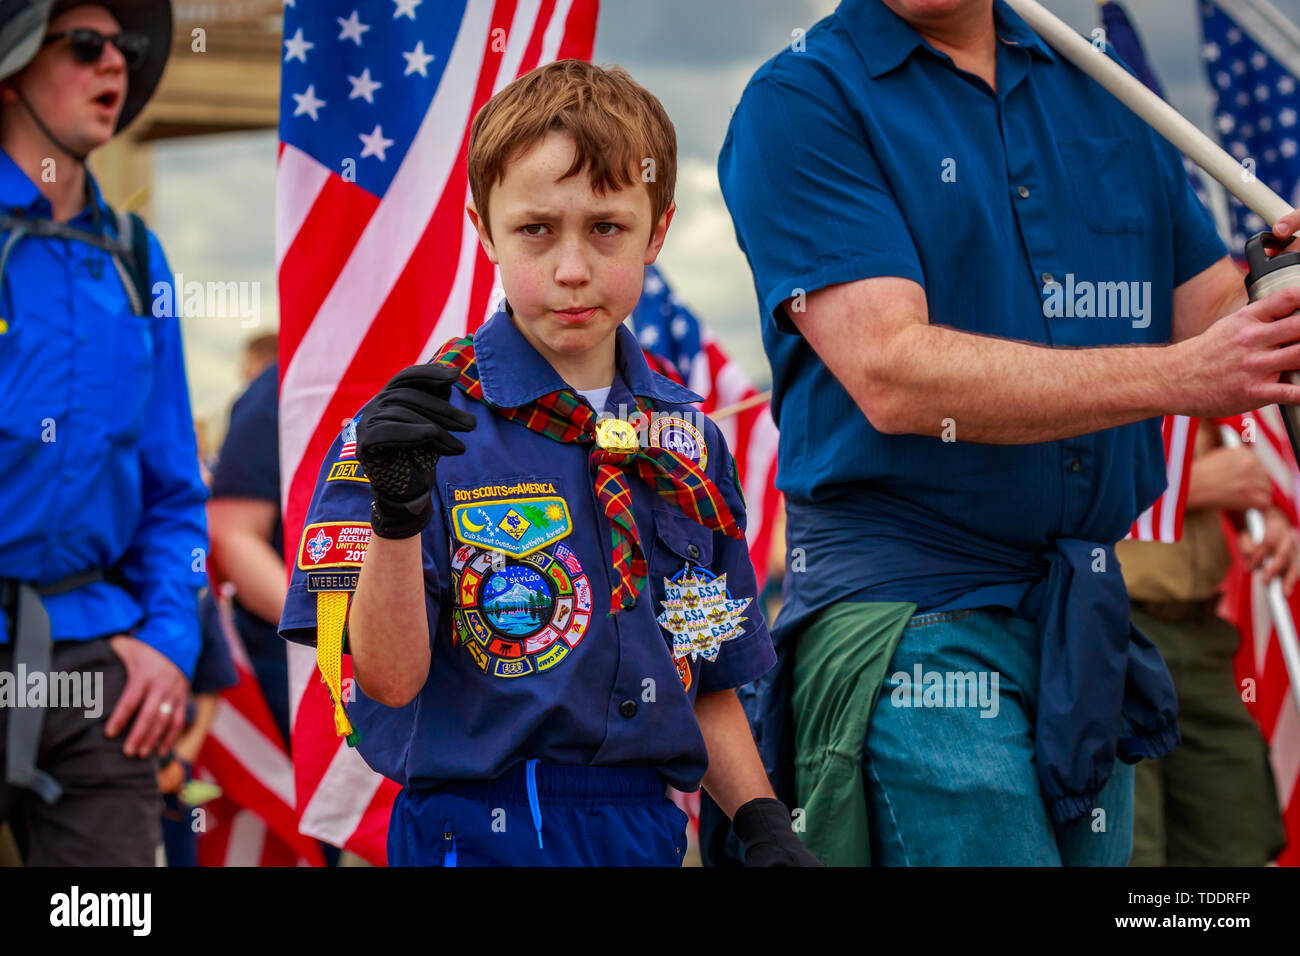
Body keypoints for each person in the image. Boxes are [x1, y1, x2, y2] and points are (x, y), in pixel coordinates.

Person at [717, 0, 1300, 866]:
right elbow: (892, 372)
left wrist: (1279, 286)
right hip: (912, 619)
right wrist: (1185, 377)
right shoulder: (802, 99)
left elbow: (1208, 313)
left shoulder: (1103, 86)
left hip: (1083, 622)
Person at [280, 59, 816, 867]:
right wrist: (396, 515)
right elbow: (388, 679)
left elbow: (705, 675)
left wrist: (761, 821)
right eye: (536, 229)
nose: (572, 269)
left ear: (657, 230)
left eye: (606, 227)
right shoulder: (406, 435)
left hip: (641, 832)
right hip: (474, 830)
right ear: (483, 227)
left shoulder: (688, 441)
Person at [0, 0, 208, 866]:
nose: (115, 65)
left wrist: (167, 642)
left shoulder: (134, 255)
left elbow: (173, 488)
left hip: (94, 666)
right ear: (12, 70)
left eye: (124, 48)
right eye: (86, 46)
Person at [1119, 424, 1291, 865]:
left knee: (1235, 833)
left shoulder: (1203, 356)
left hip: (1201, 636)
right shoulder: (1076, 353)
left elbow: (1220, 455)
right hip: (1107, 631)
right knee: (1130, 847)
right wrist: (1189, 486)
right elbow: (1041, 478)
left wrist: (1261, 518)